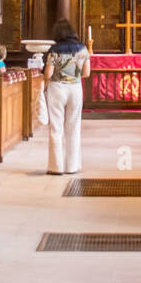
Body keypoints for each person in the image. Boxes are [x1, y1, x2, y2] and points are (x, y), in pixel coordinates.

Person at [43, 19, 90, 174]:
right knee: (73, 127)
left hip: (57, 88)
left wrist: (45, 82)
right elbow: (86, 73)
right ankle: (72, 166)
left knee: (56, 127)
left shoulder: (54, 49)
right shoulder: (82, 49)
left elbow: (48, 73)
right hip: (75, 89)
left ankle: (55, 167)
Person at [26, 50, 49, 125]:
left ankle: (43, 118)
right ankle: (39, 117)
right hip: (38, 81)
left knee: (41, 99)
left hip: (40, 81)